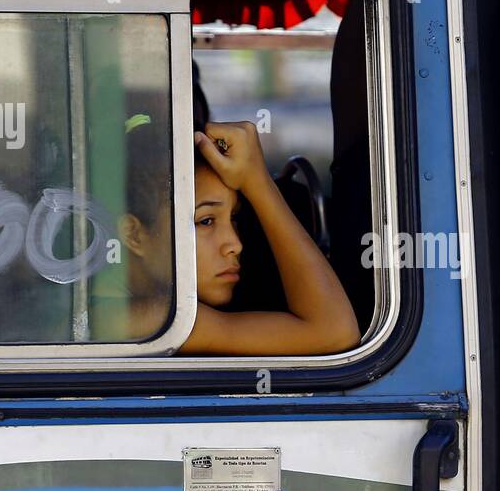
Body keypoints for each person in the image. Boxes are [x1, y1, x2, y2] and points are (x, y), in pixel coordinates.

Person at [120, 116, 359, 356]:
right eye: (205, 221)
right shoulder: (136, 319)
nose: (235, 244)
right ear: (134, 235)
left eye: (233, 218)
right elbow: (335, 333)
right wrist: (258, 181)